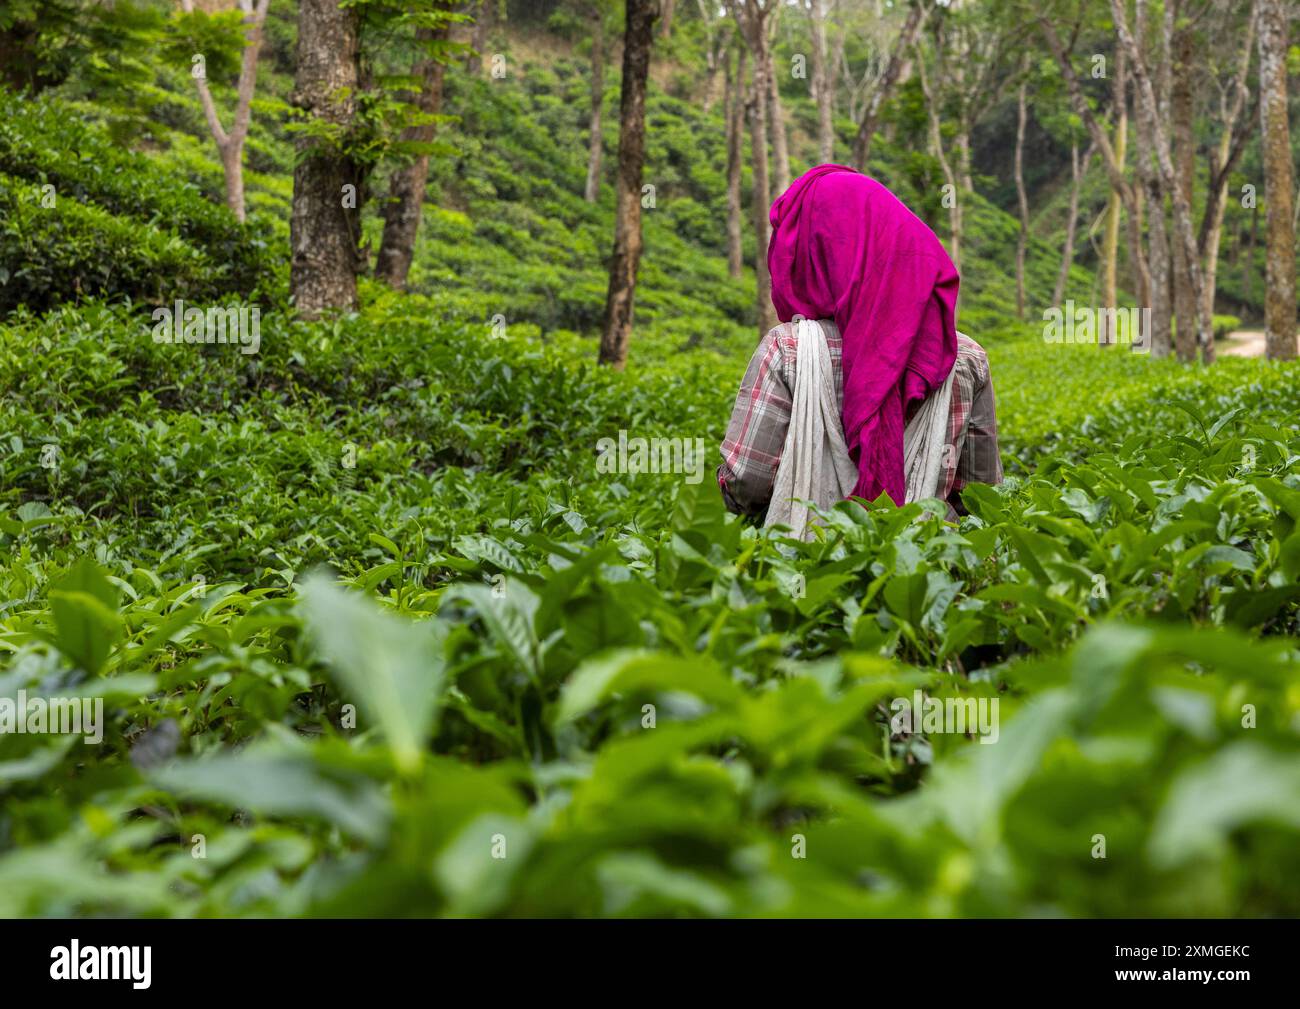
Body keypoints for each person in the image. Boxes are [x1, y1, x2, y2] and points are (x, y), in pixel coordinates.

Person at [718, 165, 1002, 523]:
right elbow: (981, 495)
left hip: (807, 567)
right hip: (927, 567)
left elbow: (747, 481)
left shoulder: (787, 351)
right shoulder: (964, 358)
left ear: (808, 254)